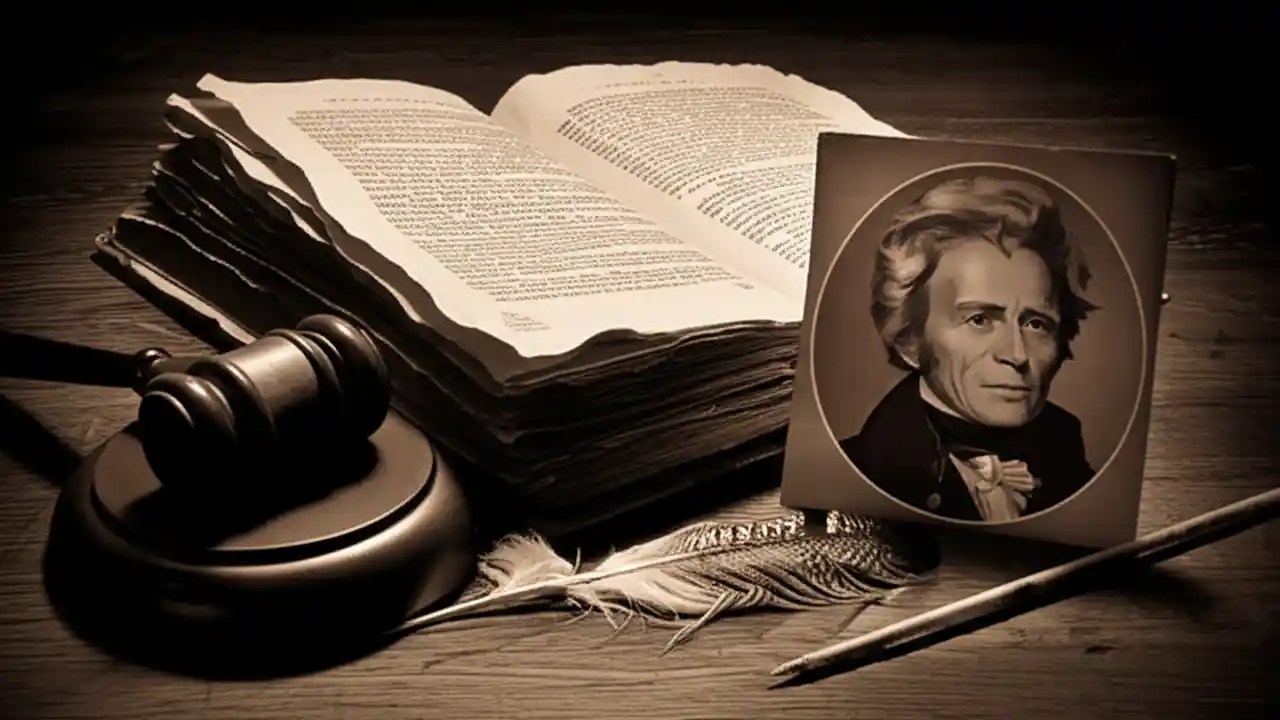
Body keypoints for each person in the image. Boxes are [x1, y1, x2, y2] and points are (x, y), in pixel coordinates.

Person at [839, 175, 1100, 522]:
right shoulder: (856, 473)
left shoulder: (1067, 461)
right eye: (979, 319)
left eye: (1035, 323)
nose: (1017, 354)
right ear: (910, 341)